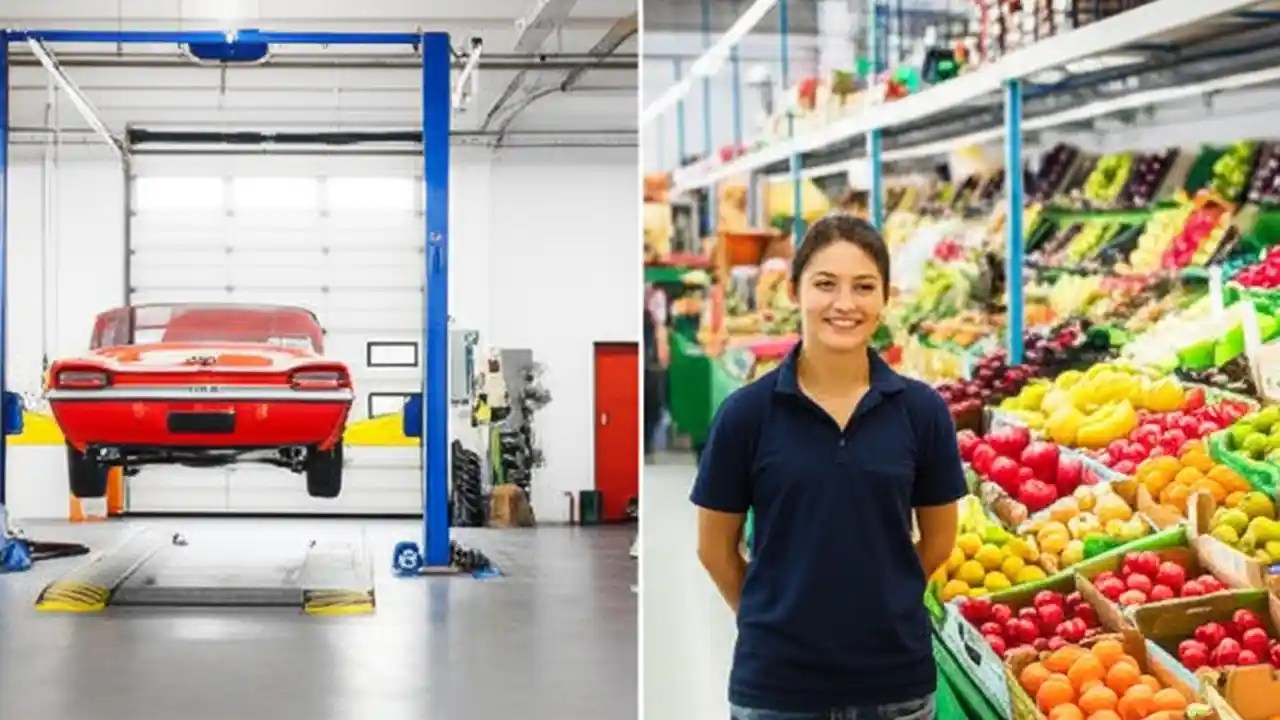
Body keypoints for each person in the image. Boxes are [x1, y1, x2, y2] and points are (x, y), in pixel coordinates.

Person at [690, 214, 965, 720]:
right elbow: (713, 548)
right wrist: (772, 616)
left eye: (864, 287)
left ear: (885, 299)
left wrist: (883, 598)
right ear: (794, 291)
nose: (844, 304)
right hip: (777, 687)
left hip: (895, 685)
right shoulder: (747, 415)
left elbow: (940, 541)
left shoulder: (922, 412)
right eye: (825, 284)